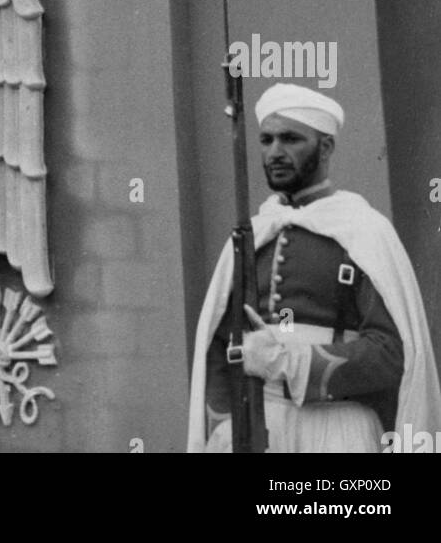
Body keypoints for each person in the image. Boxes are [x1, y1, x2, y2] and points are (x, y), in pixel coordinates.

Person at [188, 83, 441, 453]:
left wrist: (291, 362)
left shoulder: (364, 231)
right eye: (267, 139)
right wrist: (224, 426)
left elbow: (391, 353)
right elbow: (218, 347)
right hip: (259, 431)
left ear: (325, 147)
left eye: (291, 139)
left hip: (337, 430)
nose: (275, 152)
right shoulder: (253, 235)